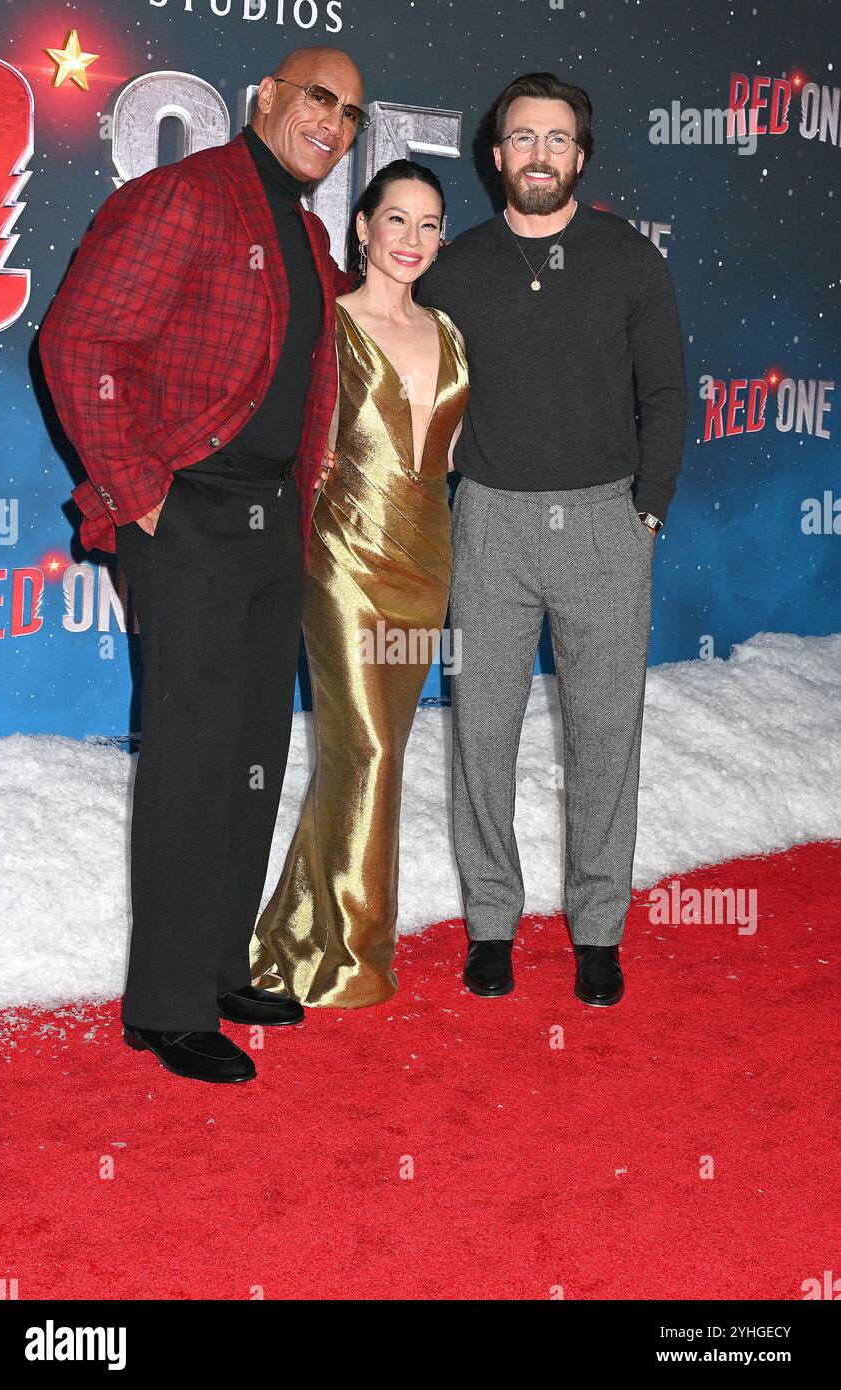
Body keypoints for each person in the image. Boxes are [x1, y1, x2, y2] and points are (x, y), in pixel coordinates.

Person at [39, 47, 364, 1083]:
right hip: (190, 519)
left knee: (253, 752)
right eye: (319, 97)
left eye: (352, 114)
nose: (335, 123)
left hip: (274, 526)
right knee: (190, 759)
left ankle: (221, 964)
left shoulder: (309, 234)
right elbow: (77, 342)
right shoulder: (186, 195)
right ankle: (165, 1007)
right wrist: (142, 496)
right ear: (264, 97)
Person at [413, 71, 688, 1007]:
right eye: (522, 137)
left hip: (608, 524)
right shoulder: (454, 269)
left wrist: (645, 511)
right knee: (481, 736)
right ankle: (492, 922)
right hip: (488, 522)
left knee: (607, 736)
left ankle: (599, 931)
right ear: (496, 158)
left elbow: (666, 396)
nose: (539, 153)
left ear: (581, 155)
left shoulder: (628, 260)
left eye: (557, 139)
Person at [249, 160, 469, 1008]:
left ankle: (298, 932)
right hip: (342, 559)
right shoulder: (328, 322)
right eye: (396, 221)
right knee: (367, 748)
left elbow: (444, 461)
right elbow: (301, 440)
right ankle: (350, 952)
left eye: (428, 224)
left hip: (428, 558)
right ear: (362, 229)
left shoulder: (450, 333)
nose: (412, 240)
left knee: (370, 755)